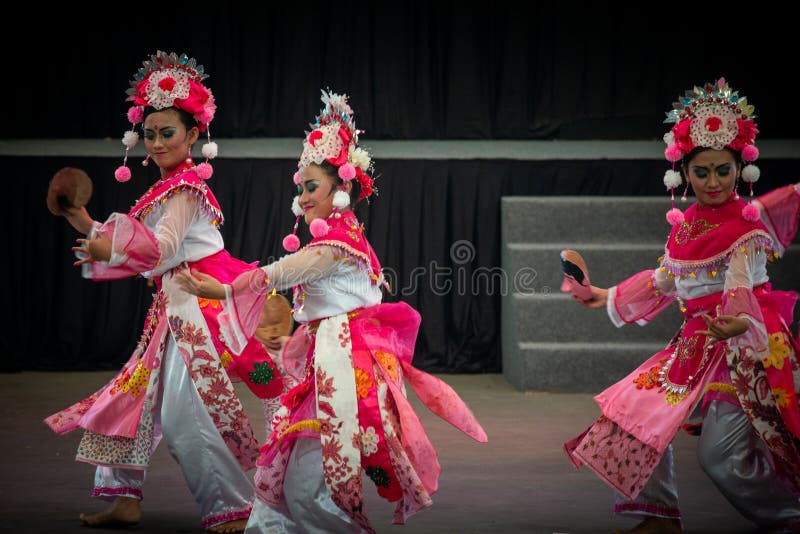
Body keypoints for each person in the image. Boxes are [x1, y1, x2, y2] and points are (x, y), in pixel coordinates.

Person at [177, 90, 488, 534]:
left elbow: (285, 271)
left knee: (305, 483)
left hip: (345, 367)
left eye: (311, 188)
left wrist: (222, 286)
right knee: (289, 477)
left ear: (340, 189)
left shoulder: (336, 245)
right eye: (300, 188)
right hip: (331, 359)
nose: (302, 198)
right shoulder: (340, 237)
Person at [43, 51, 284, 533]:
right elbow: (135, 245)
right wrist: (77, 216)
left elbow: (163, 248)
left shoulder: (185, 189)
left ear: (194, 136)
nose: (156, 142)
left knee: (181, 414)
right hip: (173, 305)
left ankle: (232, 506)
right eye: (150, 134)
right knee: (134, 399)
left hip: (198, 303)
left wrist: (108, 248)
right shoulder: (165, 189)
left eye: (167, 133)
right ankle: (123, 496)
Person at [564, 78, 800, 533]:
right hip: (696, 344)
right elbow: (665, 281)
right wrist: (602, 295)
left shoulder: (746, 227)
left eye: (723, 171)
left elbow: (740, 286)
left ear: (740, 170)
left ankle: (788, 518)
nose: (713, 182)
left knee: (720, 457)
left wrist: (736, 323)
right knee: (632, 417)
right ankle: (657, 520)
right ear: (684, 174)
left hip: (743, 350)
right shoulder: (686, 224)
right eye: (702, 172)